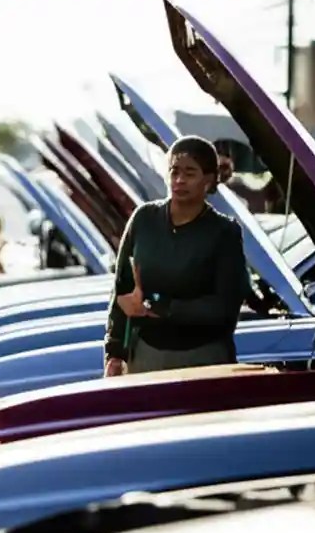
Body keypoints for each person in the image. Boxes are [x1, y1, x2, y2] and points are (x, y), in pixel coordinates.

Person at [103, 135, 246, 377]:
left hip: (203, 359)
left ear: (209, 180)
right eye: (174, 171)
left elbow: (225, 307)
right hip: (146, 356)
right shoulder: (144, 219)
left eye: (190, 173)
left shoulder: (224, 232)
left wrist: (165, 308)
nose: (179, 180)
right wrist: (114, 352)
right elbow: (122, 288)